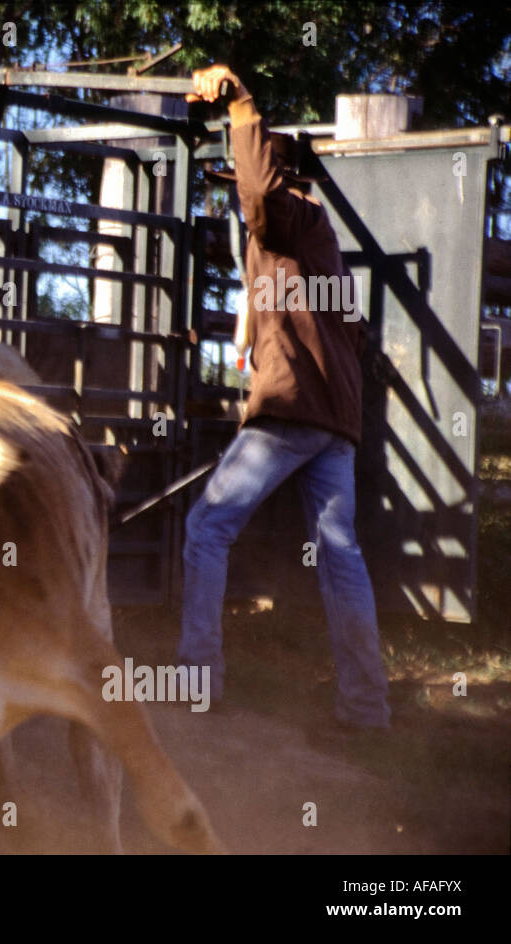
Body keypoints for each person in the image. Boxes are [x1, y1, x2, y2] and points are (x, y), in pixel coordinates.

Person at [176, 64, 390, 729]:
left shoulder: (291, 219)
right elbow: (347, 337)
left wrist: (241, 105)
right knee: (340, 555)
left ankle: (196, 683)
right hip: (335, 422)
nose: (238, 200)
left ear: (284, 178)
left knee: (206, 529)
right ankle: (365, 710)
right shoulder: (323, 249)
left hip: (292, 414)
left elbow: (260, 198)